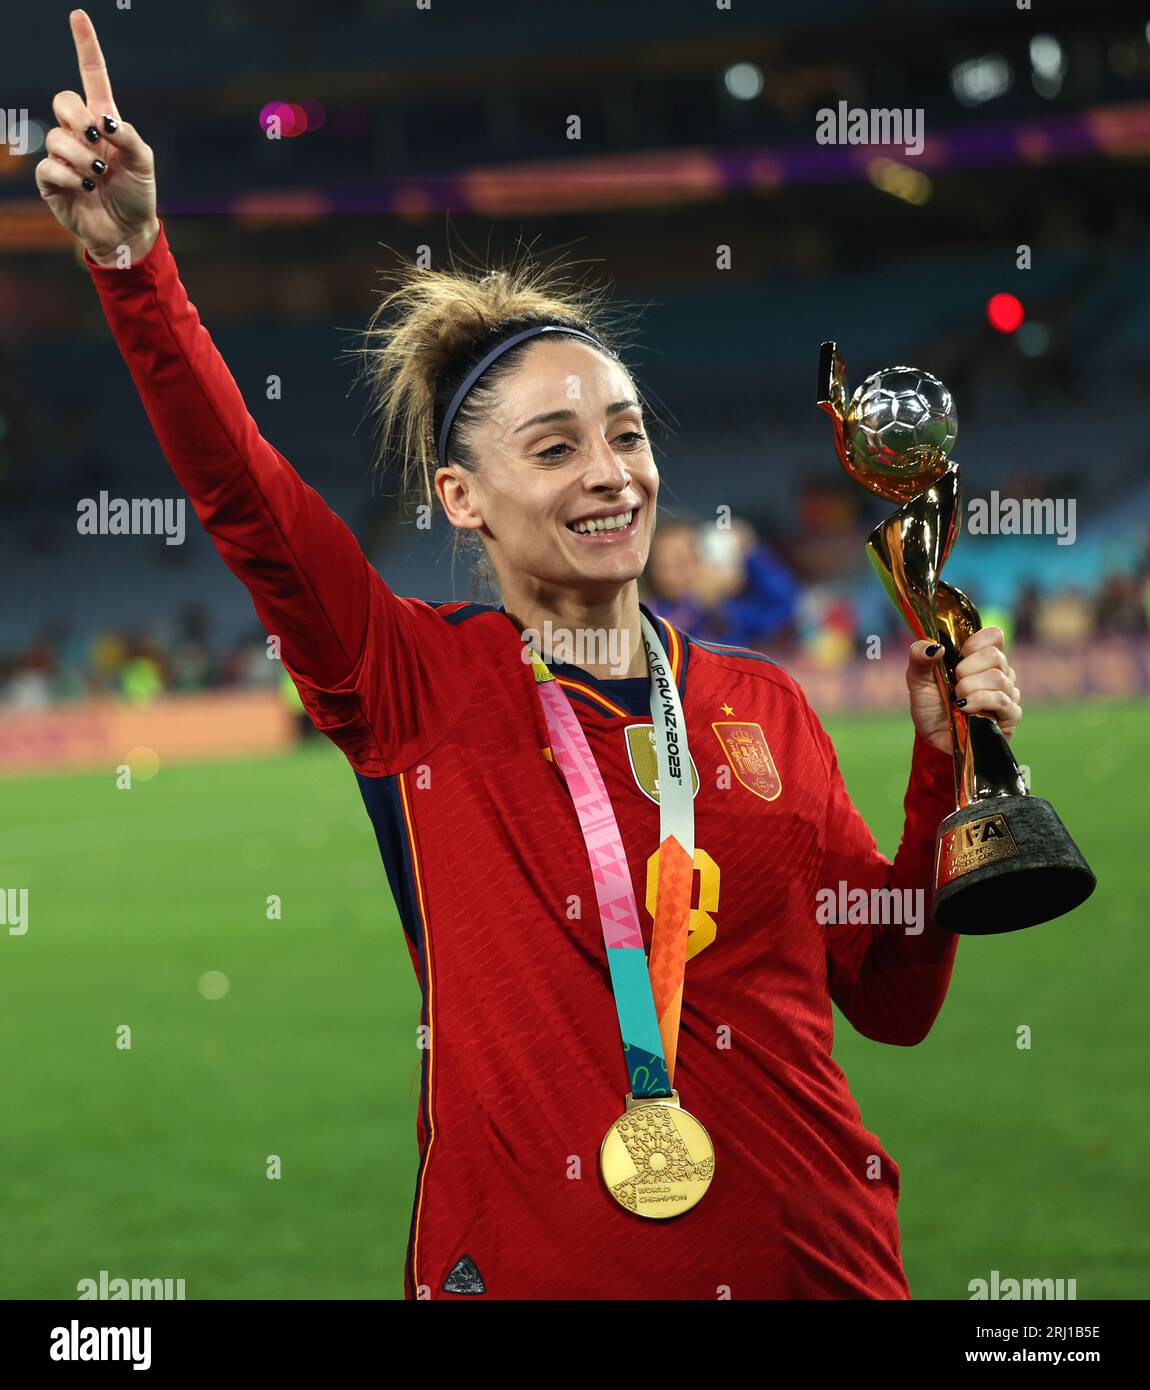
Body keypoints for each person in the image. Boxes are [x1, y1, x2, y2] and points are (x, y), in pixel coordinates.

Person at [37, 11, 1025, 1300]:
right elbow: (245, 498)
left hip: (824, 1267)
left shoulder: (760, 704)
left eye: (625, 433)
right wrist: (136, 267)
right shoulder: (421, 693)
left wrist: (941, 771)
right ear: (460, 498)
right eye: (555, 449)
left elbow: (891, 992)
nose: (611, 474)